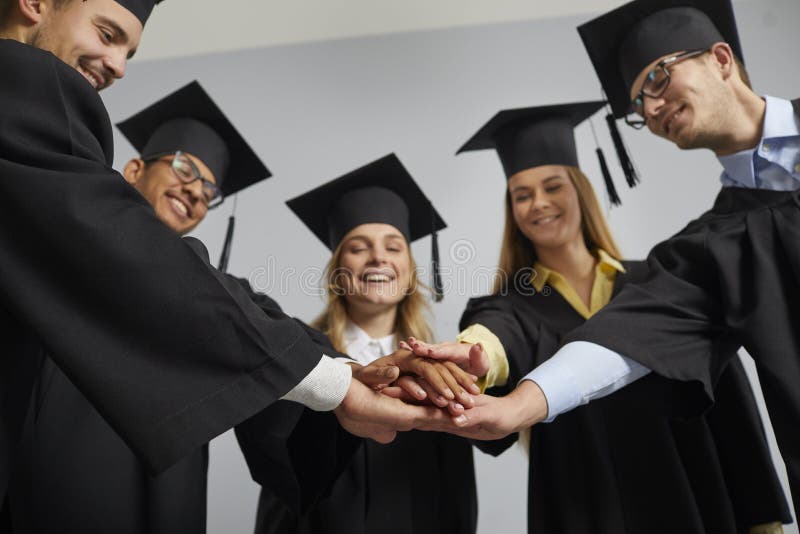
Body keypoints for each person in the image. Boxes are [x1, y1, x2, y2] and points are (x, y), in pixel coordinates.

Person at [0, 0, 465, 520]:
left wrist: (346, 375)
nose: (119, 66)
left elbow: (234, 308)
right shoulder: (31, 105)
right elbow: (132, 253)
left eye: (209, 189)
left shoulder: (200, 282)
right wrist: (338, 383)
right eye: (108, 34)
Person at [434, 0, 800, 523]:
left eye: (657, 78)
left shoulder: (668, 265)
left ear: (721, 59)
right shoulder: (706, 252)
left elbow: (731, 409)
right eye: (637, 104)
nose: (650, 109)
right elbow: (617, 341)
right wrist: (510, 395)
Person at [246, 153, 479, 534]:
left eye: (393, 247)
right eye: (358, 248)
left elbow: (456, 496)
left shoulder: (440, 374)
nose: (377, 258)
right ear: (338, 272)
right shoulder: (299, 359)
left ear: (410, 272)